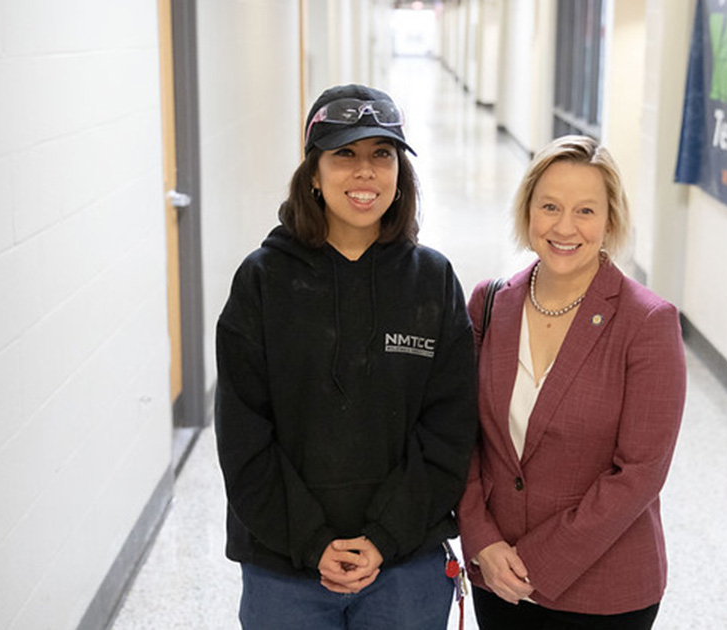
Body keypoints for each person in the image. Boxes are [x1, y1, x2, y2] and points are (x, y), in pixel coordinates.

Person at [214, 84, 479, 630]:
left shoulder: (432, 281)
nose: (365, 173)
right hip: (283, 566)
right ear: (313, 172)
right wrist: (312, 542)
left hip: (404, 567)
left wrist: (384, 538)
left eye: (382, 155)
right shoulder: (262, 281)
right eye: (345, 155)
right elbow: (243, 436)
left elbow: (449, 431)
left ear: (400, 173)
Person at [458, 135, 687, 629]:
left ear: (610, 221)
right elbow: (461, 437)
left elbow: (640, 473)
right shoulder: (490, 303)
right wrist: (482, 542)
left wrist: (534, 563)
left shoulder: (647, 322)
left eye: (586, 211)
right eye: (550, 207)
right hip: (498, 580)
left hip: (605, 593)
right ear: (528, 212)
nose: (565, 227)